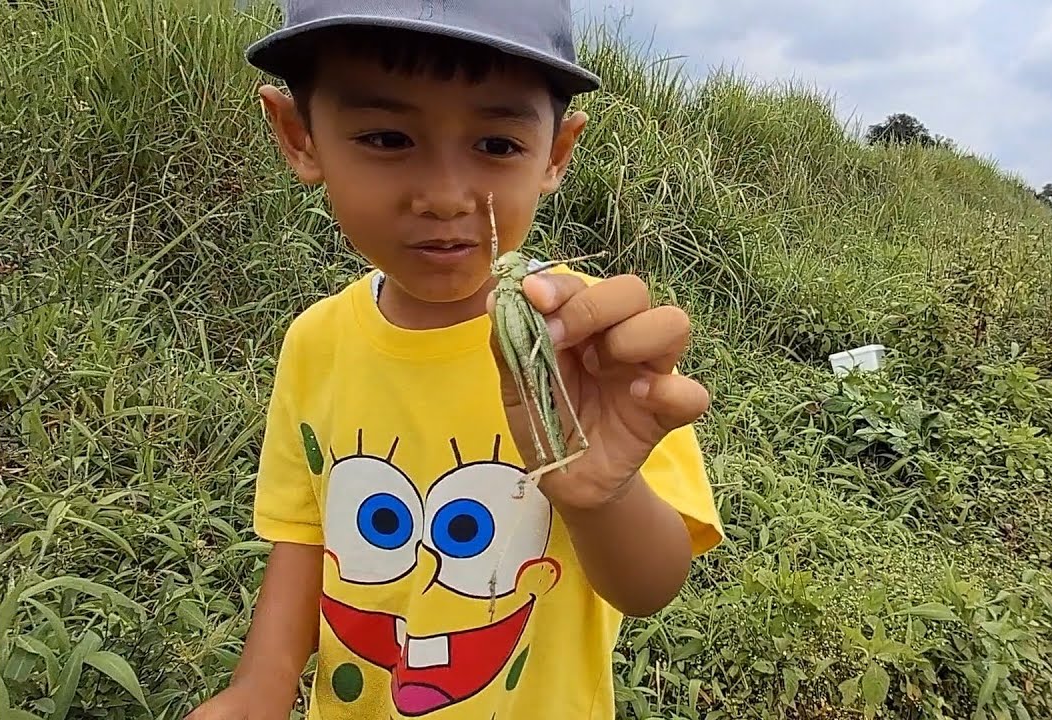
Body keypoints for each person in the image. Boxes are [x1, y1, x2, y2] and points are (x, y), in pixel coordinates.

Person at [185, 1, 723, 719]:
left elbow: (650, 588)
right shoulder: (314, 342)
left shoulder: (598, 352)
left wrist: (602, 494)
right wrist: (264, 679)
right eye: (387, 137)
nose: (444, 198)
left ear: (556, 153)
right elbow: (305, 534)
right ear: (298, 135)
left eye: (497, 144)